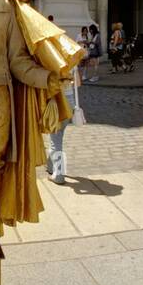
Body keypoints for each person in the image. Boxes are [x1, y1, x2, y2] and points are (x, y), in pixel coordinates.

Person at [46, 40, 89, 184]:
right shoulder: (72, 63)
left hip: (57, 104)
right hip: (70, 104)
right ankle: (50, 165)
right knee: (57, 137)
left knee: (55, 140)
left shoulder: (53, 63)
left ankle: (59, 174)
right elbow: (78, 84)